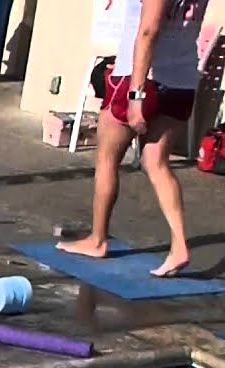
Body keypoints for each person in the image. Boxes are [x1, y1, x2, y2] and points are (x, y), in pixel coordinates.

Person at [56, 0, 208, 278]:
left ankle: (97, 239)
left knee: (107, 158)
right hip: (182, 82)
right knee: (157, 162)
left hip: (142, 79)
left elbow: (149, 30)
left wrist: (136, 96)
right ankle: (179, 246)